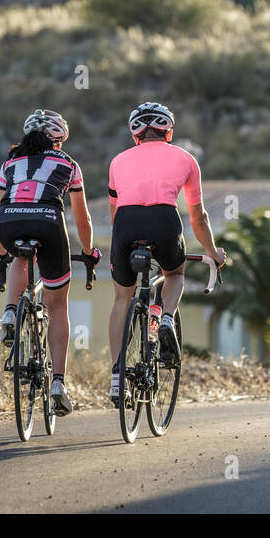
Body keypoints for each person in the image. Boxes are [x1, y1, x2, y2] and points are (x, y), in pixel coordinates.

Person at [107, 101, 225, 401]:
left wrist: (125, 241)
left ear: (136, 135)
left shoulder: (118, 161)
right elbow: (198, 218)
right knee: (175, 272)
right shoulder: (186, 160)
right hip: (164, 220)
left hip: (125, 224)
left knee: (122, 297)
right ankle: (167, 318)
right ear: (168, 132)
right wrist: (213, 252)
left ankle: (117, 377)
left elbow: (114, 212)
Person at [0, 108, 98, 416]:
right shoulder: (68, 164)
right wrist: (90, 251)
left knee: (17, 257)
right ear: (59, 141)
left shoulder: (9, 162)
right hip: (48, 223)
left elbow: (0, 209)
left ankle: (10, 313)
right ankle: (58, 385)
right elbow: (82, 219)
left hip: (8, 223)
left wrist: (0, 253)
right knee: (58, 306)